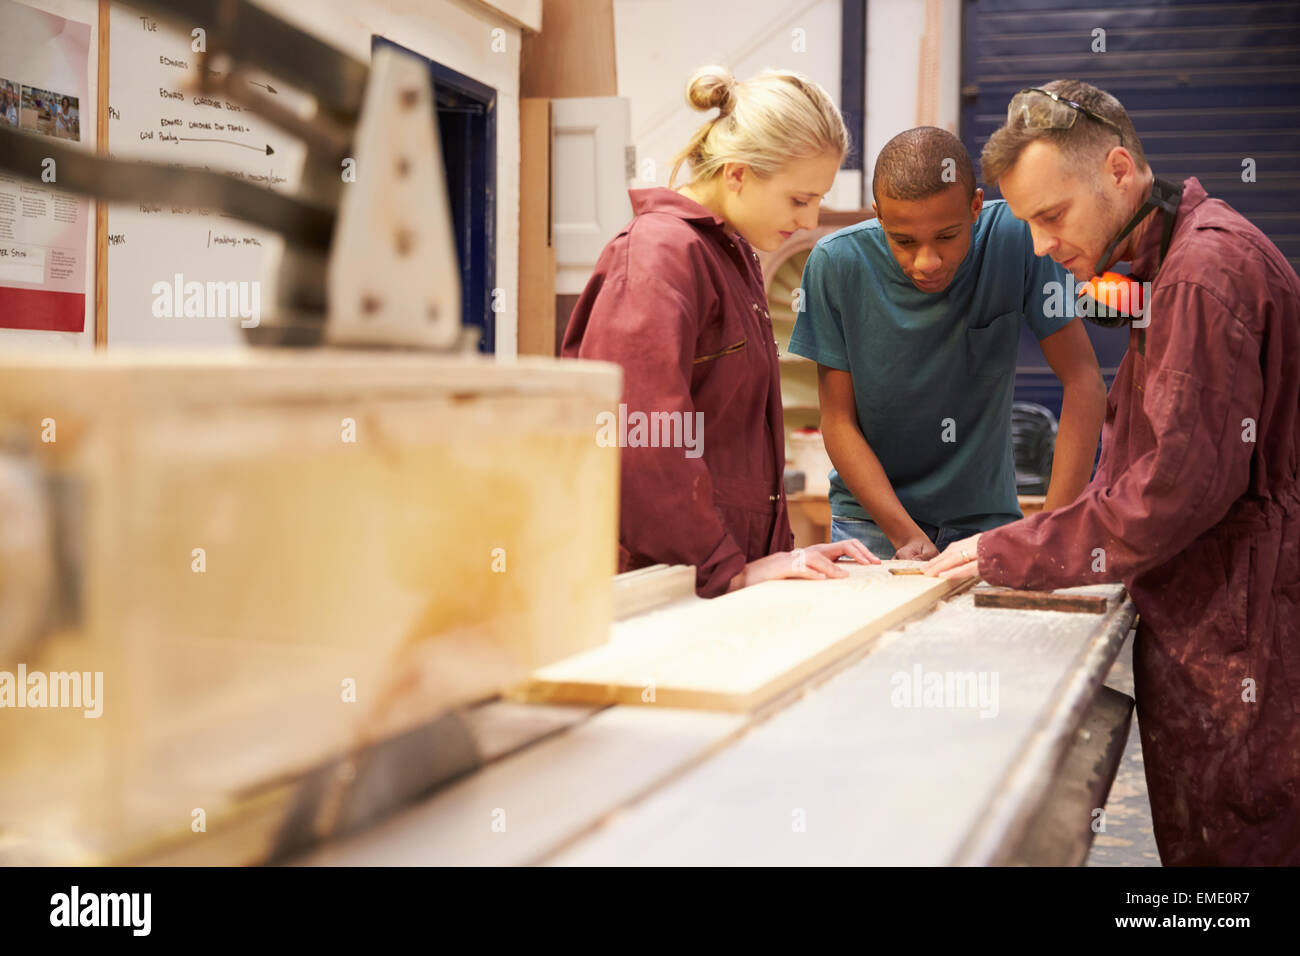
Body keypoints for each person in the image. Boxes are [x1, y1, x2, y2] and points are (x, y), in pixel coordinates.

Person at [925, 80, 1300, 865]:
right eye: (1026, 222)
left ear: (1120, 171)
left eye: (1052, 216)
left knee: (1235, 849)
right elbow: (1143, 455)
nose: (1039, 245)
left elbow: (1173, 491)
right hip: (1224, 612)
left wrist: (1011, 551)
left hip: (1246, 629)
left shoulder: (1202, 276)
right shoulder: (1171, 262)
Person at [562, 66, 878, 597]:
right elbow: (640, 436)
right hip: (659, 589)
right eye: (799, 199)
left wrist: (779, 556)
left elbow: (733, 448)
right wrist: (725, 567)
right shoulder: (659, 255)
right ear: (736, 175)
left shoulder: (731, 256)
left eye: (818, 199)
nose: (809, 220)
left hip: (711, 582)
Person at [789, 127, 1105, 559]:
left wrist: (1051, 531)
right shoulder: (836, 263)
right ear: (879, 216)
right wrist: (906, 535)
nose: (927, 262)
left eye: (947, 236)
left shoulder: (1016, 240)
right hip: (872, 526)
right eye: (903, 241)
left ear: (976, 206)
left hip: (984, 524)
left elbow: (1084, 380)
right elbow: (838, 421)